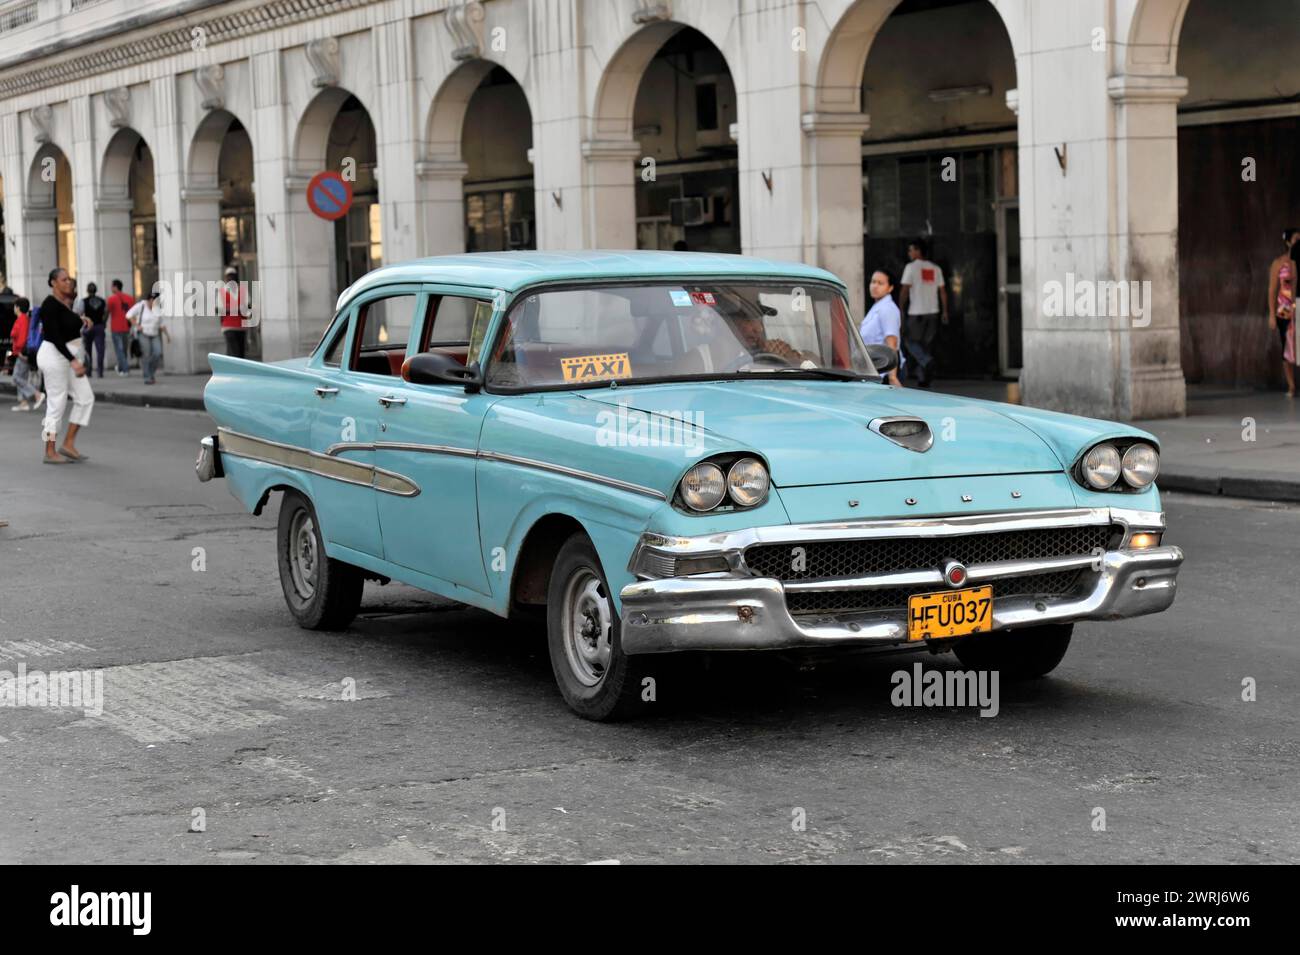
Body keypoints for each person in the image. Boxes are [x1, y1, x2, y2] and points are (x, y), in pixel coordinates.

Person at [35, 268, 94, 463]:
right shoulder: (49, 305)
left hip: (66, 357)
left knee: (85, 398)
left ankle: (68, 444)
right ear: (53, 282)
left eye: (69, 279)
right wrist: (74, 361)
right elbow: (55, 336)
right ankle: (49, 450)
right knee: (56, 403)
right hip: (54, 357)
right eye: (64, 279)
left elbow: (67, 325)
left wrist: (82, 320)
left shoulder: (64, 304)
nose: (68, 282)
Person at [898, 239, 949, 388]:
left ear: (917, 251)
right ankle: (923, 379)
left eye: (910, 250)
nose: (909, 253)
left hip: (917, 313)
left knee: (909, 341)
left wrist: (900, 308)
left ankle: (926, 361)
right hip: (933, 312)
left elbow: (905, 290)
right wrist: (945, 311)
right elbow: (943, 292)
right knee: (926, 346)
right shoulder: (935, 268)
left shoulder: (911, 267)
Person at [860, 269, 905, 387]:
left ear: (890, 288)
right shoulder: (878, 306)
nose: (875, 286)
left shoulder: (887, 309)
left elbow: (892, 342)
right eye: (873, 282)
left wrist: (892, 377)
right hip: (874, 369)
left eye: (880, 283)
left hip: (885, 371)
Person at [1267, 227, 1298, 398]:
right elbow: (1272, 289)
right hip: (1284, 310)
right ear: (1288, 242)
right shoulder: (1278, 263)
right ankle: (1291, 385)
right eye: (1296, 239)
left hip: (1299, 308)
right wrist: (1272, 314)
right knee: (1287, 347)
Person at [8, 296, 44, 412]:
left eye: (15, 306)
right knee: (21, 377)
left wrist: (19, 352)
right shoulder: (24, 319)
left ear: (17, 308)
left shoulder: (22, 319)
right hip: (23, 352)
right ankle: (23, 403)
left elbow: (23, 338)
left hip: (23, 353)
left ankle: (37, 394)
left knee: (17, 377)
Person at [127, 289, 168, 385]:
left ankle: (151, 373)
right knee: (146, 355)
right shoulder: (141, 306)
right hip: (143, 333)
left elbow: (162, 324)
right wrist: (137, 325)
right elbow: (128, 315)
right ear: (150, 300)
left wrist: (167, 336)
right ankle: (147, 377)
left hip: (154, 334)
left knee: (158, 353)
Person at [106, 279, 136, 376]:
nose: (111, 288)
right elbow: (134, 313)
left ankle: (125, 369)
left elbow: (107, 312)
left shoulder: (111, 299)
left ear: (115, 287)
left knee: (119, 350)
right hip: (126, 327)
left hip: (116, 327)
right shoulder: (130, 298)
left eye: (112, 286)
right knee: (123, 350)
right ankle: (121, 367)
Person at [219, 266, 250, 358]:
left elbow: (248, 308)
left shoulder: (243, 291)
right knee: (234, 352)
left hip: (241, 327)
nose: (230, 278)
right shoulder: (222, 292)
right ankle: (233, 370)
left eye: (232, 276)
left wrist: (231, 309)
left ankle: (235, 370)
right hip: (228, 327)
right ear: (225, 278)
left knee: (240, 352)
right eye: (229, 276)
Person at [79, 281, 108, 378]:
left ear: (87, 290)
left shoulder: (84, 301)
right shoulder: (102, 301)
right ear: (96, 290)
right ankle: (100, 372)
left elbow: (80, 313)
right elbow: (106, 313)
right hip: (99, 327)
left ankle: (89, 371)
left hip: (88, 326)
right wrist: (103, 323)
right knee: (100, 350)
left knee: (88, 350)